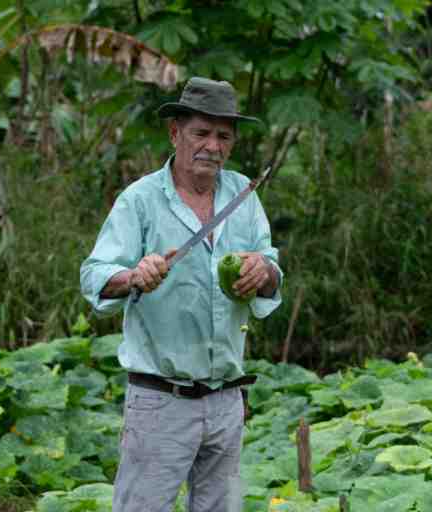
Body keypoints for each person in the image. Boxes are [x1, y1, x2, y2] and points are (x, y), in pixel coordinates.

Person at [80, 76, 283, 512]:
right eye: (201, 133)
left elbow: (271, 265)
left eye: (223, 136)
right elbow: (94, 275)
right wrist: (133, 275)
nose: (213, 145)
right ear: (175, 134)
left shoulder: (244, 195)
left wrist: (263, 272)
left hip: (228, 400)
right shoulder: (141, 200)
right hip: (161, 402)